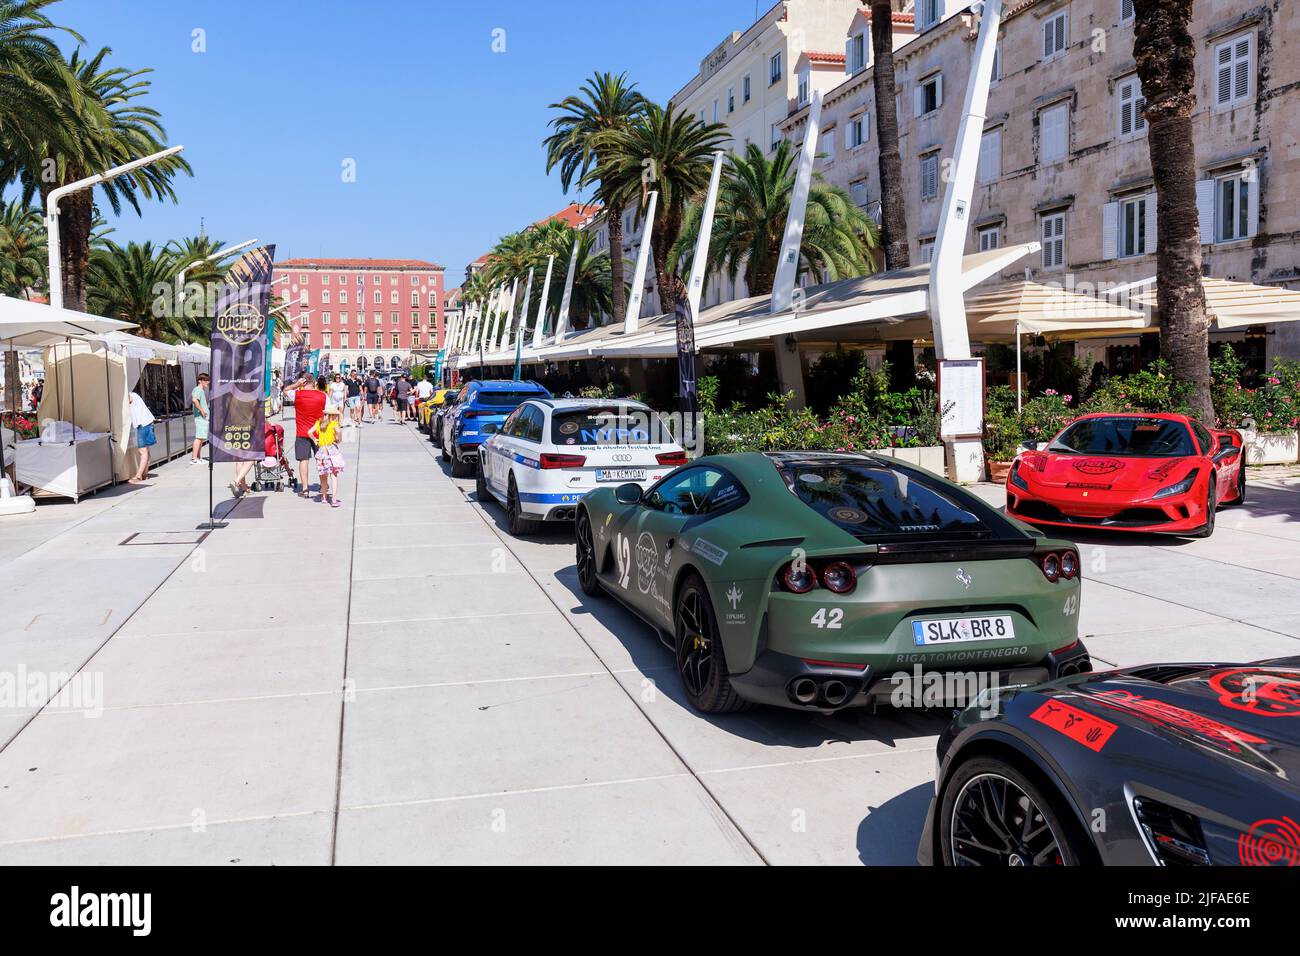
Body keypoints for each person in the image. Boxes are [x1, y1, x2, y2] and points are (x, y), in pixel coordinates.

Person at [284, 372, 326, 498]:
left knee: (303, 460)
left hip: (302, 432)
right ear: (313, 382)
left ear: (303, 382)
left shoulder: (297, 394)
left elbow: (285, 390)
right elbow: (329, 412)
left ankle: (305, 489)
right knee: (321, 460)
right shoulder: (323, 396)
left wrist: (296, 384)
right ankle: (323, 485)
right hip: (319, 433)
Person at [310, 404, 346, 508]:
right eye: (334, 415)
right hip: (331, 452)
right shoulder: (334, 424)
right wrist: (338, 438)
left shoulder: (319, 423)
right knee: (333, 475)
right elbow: (339, 433)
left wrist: (315, 439)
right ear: (332, 415)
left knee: (323, 476)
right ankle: (334, 499)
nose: (335, 417)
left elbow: (309, 432)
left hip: (321, 453)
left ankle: (324, 497)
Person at [127, 387, 157, 483]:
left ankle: (139, 476)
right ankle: (144, 474)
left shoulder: (130, 396)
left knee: (142, 451)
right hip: (147, 423)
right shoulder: (134, 395)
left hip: (143, 424)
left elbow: (128, 400)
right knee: (146, 451)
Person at [190, 372, 210, 463]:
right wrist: (202, 410)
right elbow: (194, 400)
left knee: (201, 437)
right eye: (205, 380)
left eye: (208, 380)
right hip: (200, 417)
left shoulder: (200, 390)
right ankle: (194, 458)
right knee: (199, 437)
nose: (207, 382)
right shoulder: (198, 389)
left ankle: (197, 457)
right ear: (200, 381)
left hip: (202, 417)